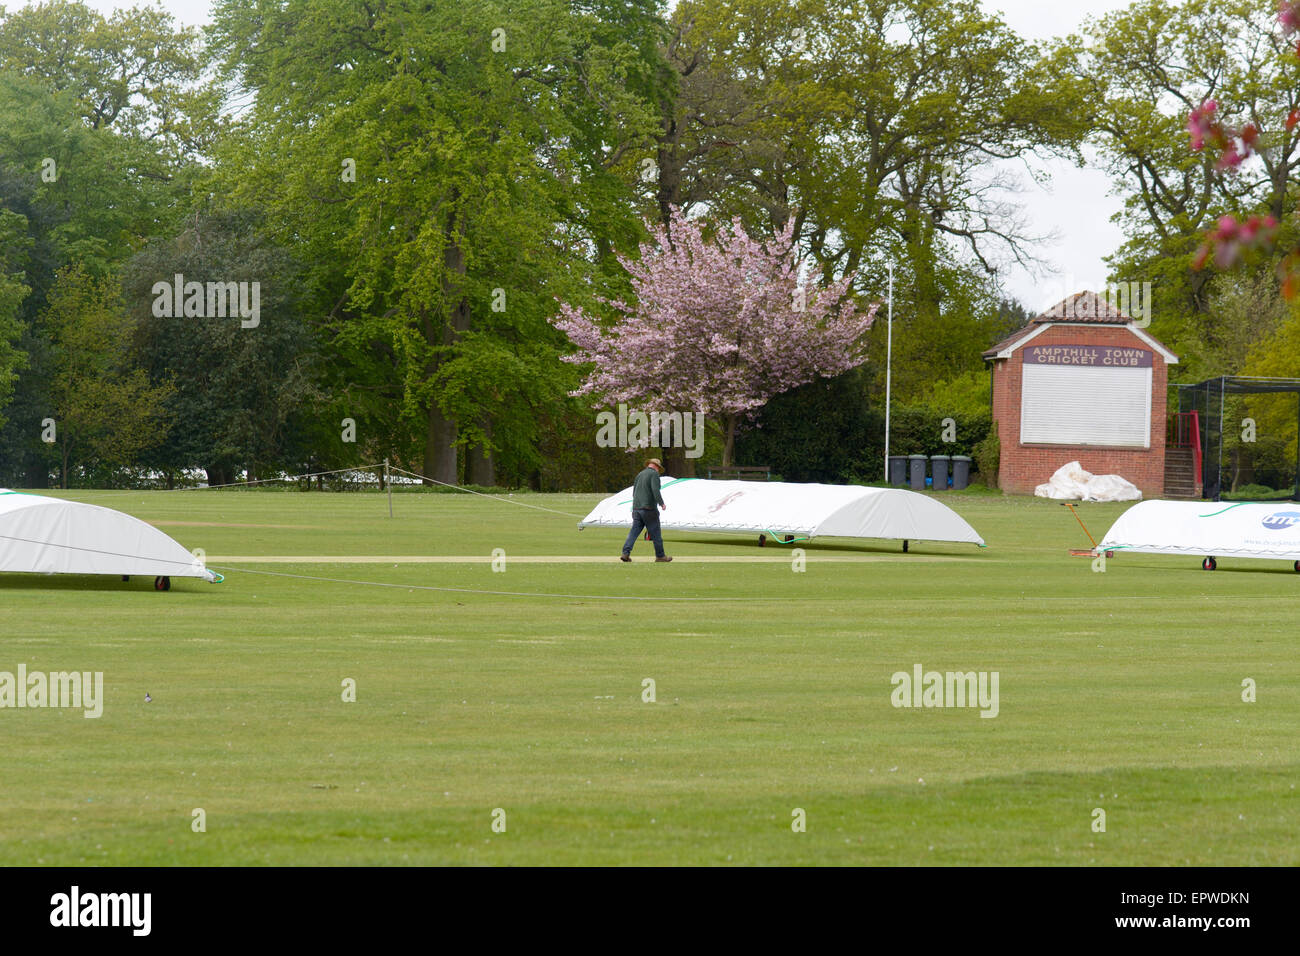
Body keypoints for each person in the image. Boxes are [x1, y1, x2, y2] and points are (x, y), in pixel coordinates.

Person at [620, 458, 672, 562]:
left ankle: (625, 553)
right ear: (657, 467)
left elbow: (634, 492)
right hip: (649, 509)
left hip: (636, 508)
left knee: (633, 533)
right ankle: (660, 556)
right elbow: (655, 490)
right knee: (656, 533)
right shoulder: (654, 475)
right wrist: (661, 503)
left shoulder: (639, 474)